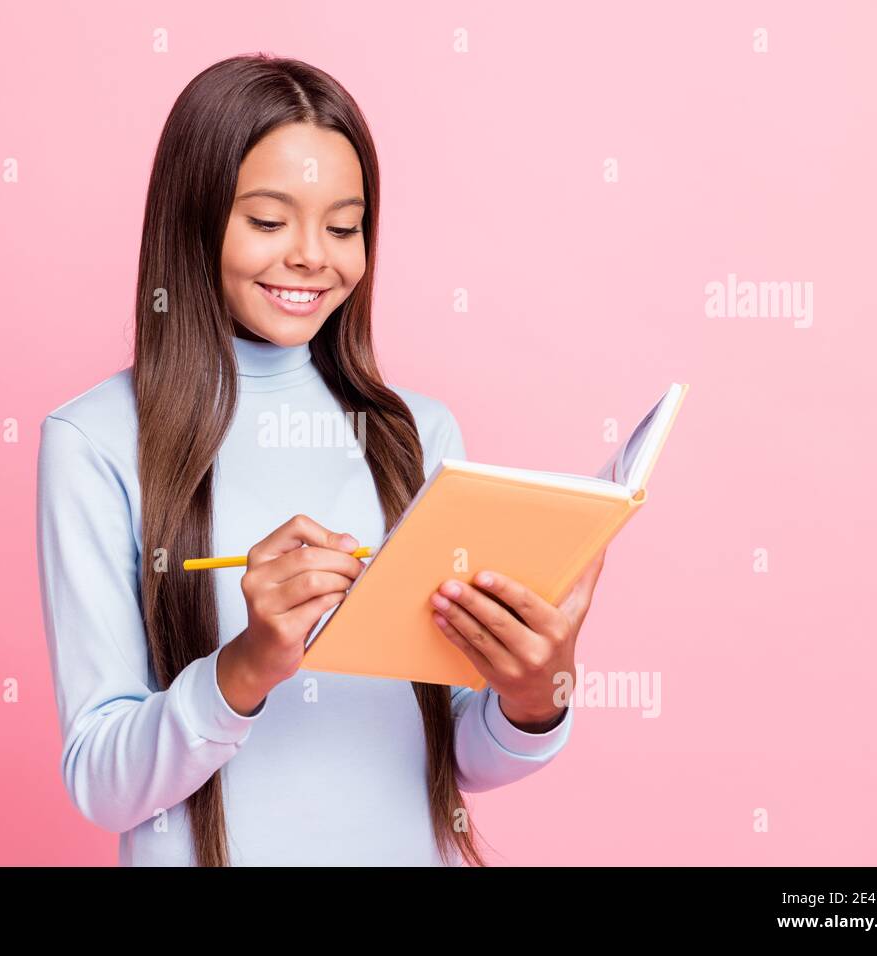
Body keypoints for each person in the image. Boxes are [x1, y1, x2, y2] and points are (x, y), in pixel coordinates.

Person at [36, 53, 605, 866]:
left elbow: (452, 756)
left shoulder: (418, 434)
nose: (313, 255)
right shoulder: (95, 442)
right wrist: (246, 666)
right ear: (193, 220)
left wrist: (532, 694)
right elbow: (101, 779)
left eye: (344, 227)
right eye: (269, 223)